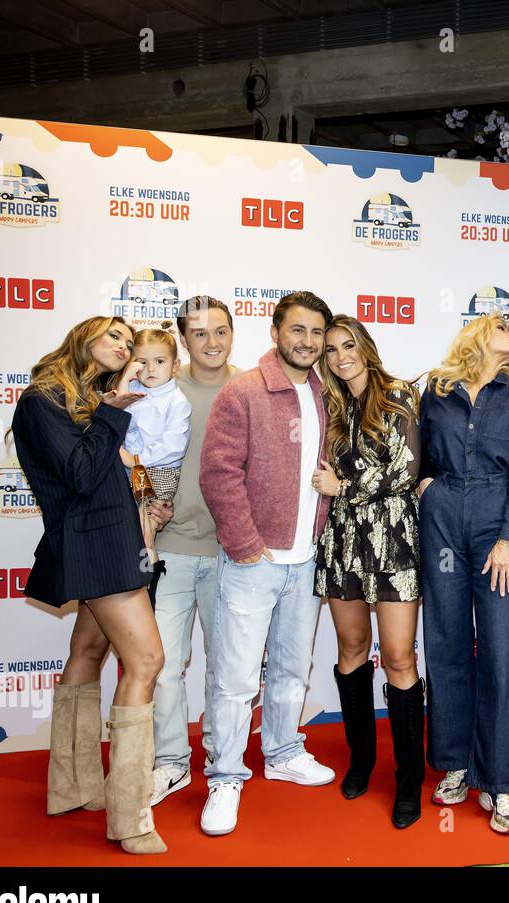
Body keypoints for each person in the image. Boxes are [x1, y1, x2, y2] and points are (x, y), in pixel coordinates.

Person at [10, 315, 168, 854]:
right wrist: (111, 414)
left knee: (89, 648)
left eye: (130, 342)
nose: (125, 347)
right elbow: (77, 475)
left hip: (112, 537)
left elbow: (97, 470)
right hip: (94, 546)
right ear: (84, 338)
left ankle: (72, 786)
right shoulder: (42, 399)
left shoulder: (90, 398)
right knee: (146, 661)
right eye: (115, 336)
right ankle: (130, 816)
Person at [198, 290, 335, 836]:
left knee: (288, 669)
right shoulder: (245, 392)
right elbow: (219, 472)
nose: (307, 342)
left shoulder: (326, 395)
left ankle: (281, 752)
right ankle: (225, 776)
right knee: (234, 679)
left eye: (316, 333)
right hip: (254, 561)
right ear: (276, 332)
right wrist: (244, 541)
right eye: (297, 330)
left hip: (306, 563)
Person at [419, 312, 509, 834]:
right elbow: (417, 449)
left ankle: (503, 781)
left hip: (496, 525)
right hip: (442, 519)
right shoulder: (436, 389)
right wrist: (425, 485)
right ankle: (454, 763)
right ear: (479, 335)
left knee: (498, 650)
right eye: (506, 329)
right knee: (445, 643)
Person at [313, 315, 425, 829]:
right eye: (331, 349)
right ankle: (361, 760)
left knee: (400, 657)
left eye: (348, 345)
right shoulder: (331, 406)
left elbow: (403, 469)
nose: (340, 356)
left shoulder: (398, 393)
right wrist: (336, 488)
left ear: (366, 346)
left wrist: (343, 486)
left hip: (394, 539)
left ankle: (409, 778)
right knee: (351, 651)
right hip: (343, 543)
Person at [149, 296, 241, 807]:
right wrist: (145, 502)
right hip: (171, 549)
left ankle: (221, 763)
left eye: (220, 331)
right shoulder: (158, 388)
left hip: (235, 553)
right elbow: (131, 458)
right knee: (164, 665)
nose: (212, 342)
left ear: (233, 334)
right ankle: (169, 763)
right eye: (200, 333)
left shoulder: (251, 388)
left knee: (228, 667)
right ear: (183, 340)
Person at [120, 326, 191, 606]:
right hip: (133, 471)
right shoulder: (134, 389)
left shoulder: (176, 401)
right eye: (141, 362)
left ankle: (146, 583)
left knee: (145, 528)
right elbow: (118, 408)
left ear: (175, 365)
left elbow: (173, 446)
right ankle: (134, 579)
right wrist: (126, 377)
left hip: (158, 473)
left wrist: (134, 460)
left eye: (159, 362)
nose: (150, 369)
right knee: (132, 528)